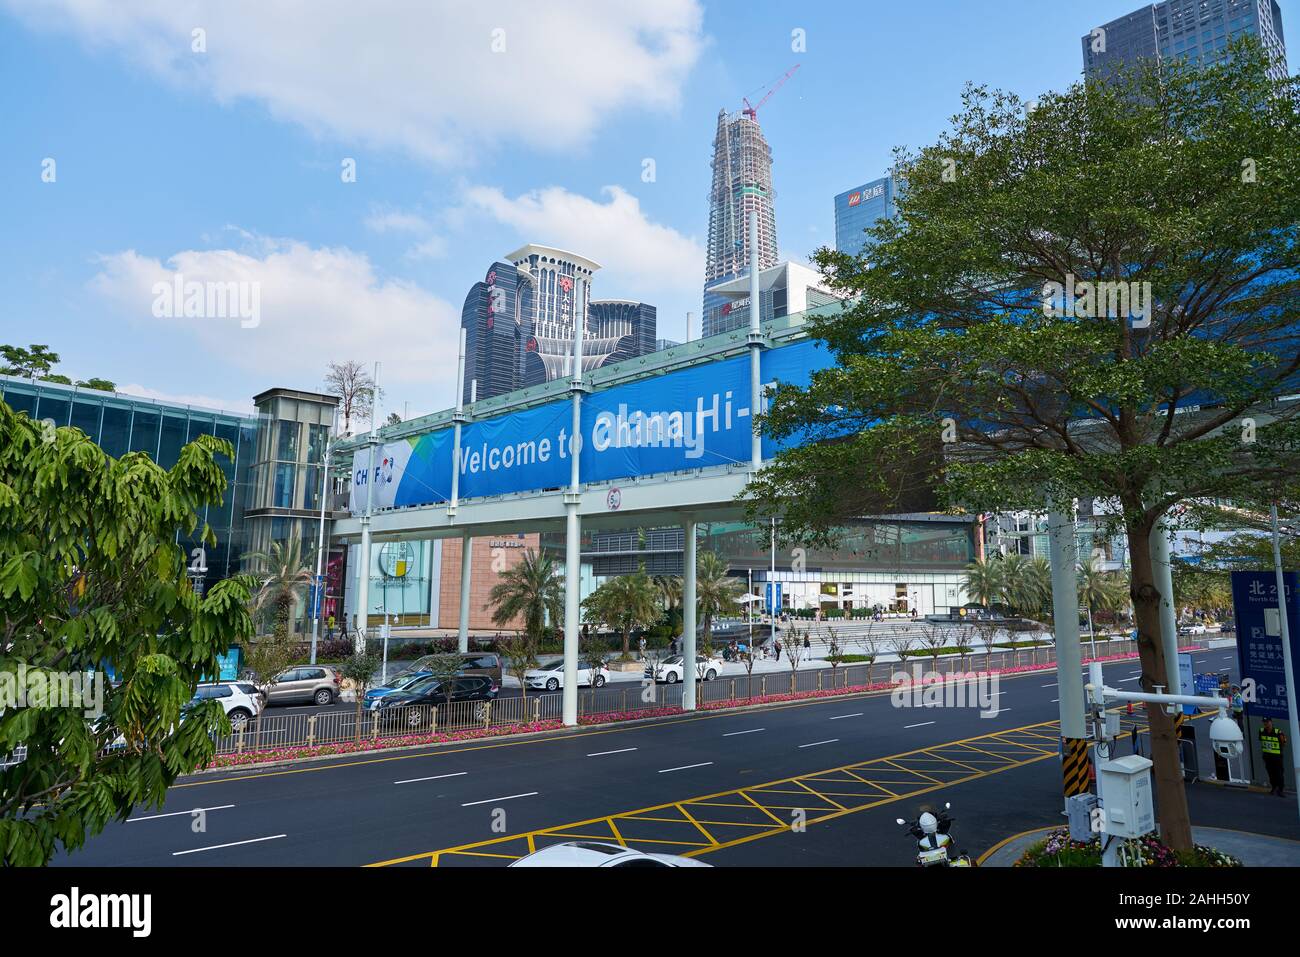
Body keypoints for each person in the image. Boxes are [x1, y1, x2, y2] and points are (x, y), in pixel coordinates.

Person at [1259, 717, 1288, 797]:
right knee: (1271, 774)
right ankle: (1274, 788)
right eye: (1264, 722)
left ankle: (1280, 790)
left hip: (1277, 757)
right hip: (1267, 757)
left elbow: (1284, 743)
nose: (1266, 724)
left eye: (1267, 722)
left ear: (1271, 722)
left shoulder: (1278, 732)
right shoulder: (1261, 731)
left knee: (1279, 774)